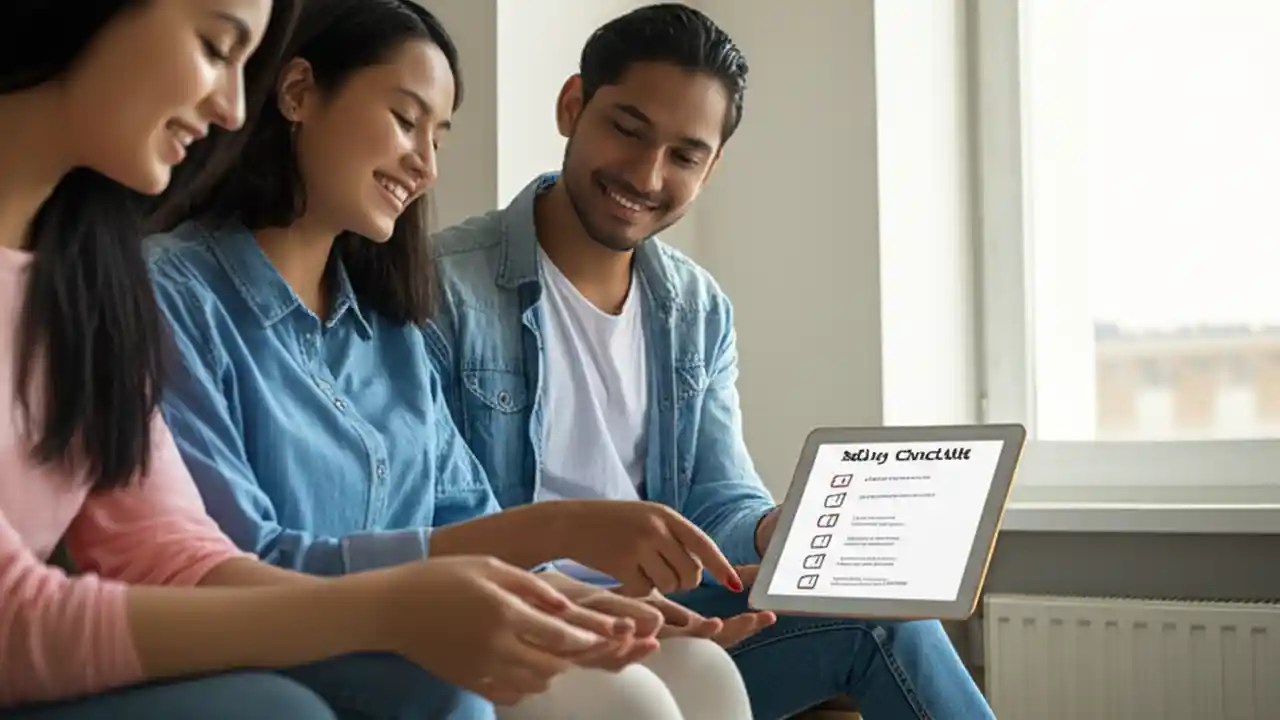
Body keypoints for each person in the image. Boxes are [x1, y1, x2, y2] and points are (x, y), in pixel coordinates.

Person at [0, 1, 626, 718]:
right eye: (215, 45)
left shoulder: (88, 280)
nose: (233, 108)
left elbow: (171, 555)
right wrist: (390, 608)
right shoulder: (171, 288)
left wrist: (561, 596)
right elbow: (22, 617)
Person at [146, 1, 756, 717]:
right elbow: (239, 566)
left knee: (699, 669)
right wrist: (562, 533)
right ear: (298, 92)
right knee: (627, 698)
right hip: (289, 644)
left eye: (438, 137)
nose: (425, 166)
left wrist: (591, 602)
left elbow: (465, 517)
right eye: (406, 121)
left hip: (422, 628)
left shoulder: (389, 328)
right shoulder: (173, 296)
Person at [427, 3, 998, 719]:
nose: (645, 173)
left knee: (886, 619)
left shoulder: (696, 308)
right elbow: (434, 519)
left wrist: (775, 531)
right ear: (573, 106)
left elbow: (717, 496)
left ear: (712, 164)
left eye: (684, 155)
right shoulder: (442, 287)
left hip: (672, 623)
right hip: (525, 629)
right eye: (627, 131)